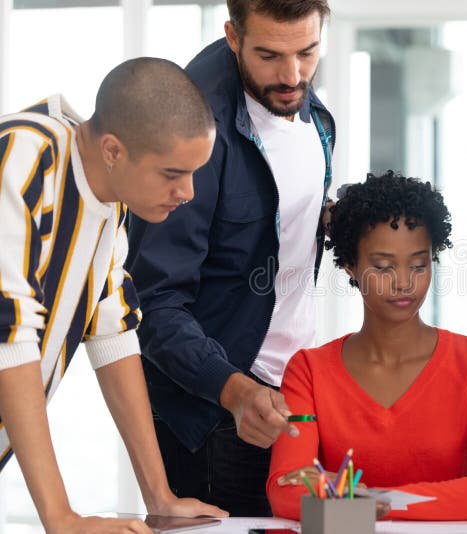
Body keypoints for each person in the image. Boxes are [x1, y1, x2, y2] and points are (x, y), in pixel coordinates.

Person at [125, 0, 335, 517]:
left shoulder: (310, 107)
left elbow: (280, 224)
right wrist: (235, 392)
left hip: (296, 391)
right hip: (218, 414)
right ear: (233, 37)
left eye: (307, 52)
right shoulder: (191, 126)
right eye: (269, 55)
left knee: (323, 526)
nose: (291, 75)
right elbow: (152, 303)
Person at [0, 58, 227, 532]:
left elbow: (114, 335)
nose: (187, 192)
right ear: (112, 150)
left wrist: (159, 496)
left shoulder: (111, 204)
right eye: (171, 173)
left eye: (193, 174)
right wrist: (62, 519)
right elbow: (8, 337)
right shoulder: (24, 157)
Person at [266, 171, 467, 520]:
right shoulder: (308, 371)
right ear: (350, 266)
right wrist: (427, 503)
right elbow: (286, 492)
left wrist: (376, 501)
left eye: (419, 265)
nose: (404, 283)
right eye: (383, 266)